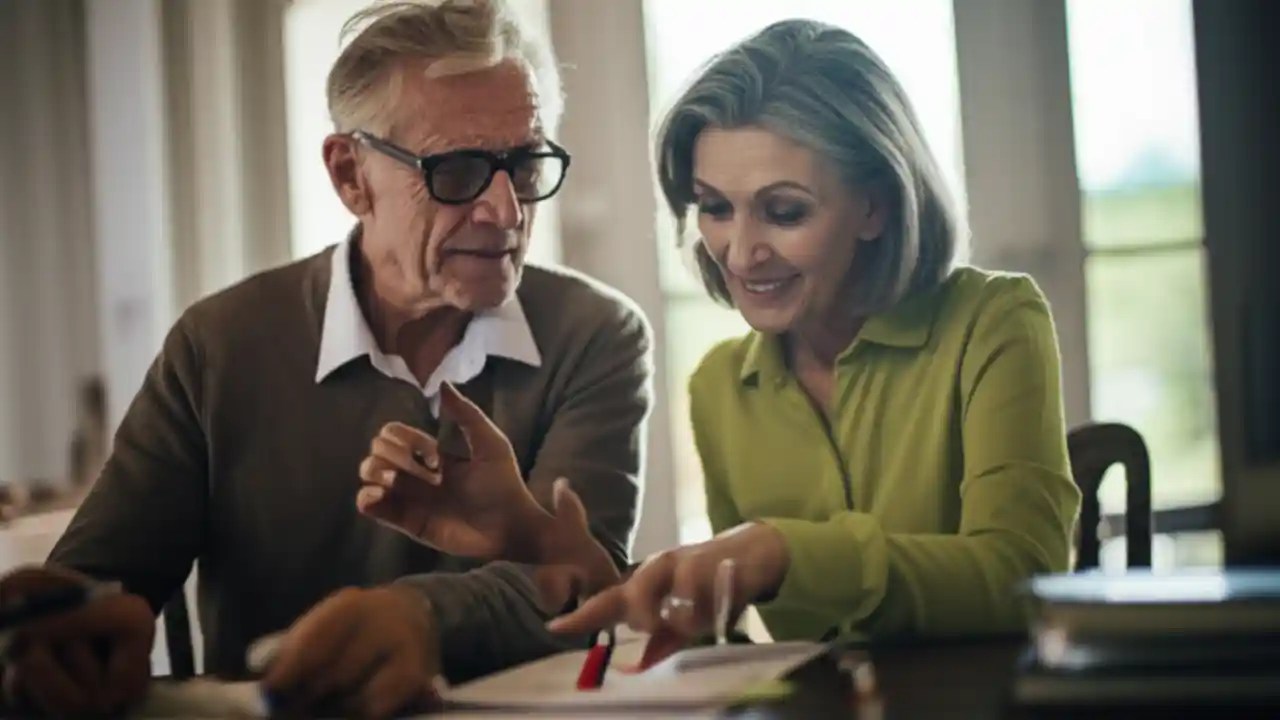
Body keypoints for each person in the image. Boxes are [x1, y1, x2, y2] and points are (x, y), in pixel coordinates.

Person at [0, 1, 649, 717]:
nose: (506, 210)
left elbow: (583, 580)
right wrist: (65, 637)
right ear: (350, 176)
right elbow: (97, 587)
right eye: (459, 169)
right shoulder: (219, 345)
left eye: (523, 164)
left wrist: (418, 620)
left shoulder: (597, 334)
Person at [375, 18, 1082, 659]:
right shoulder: (720, 386)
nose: (740, 254)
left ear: (876, 204)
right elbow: (733, 633)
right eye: (714, 208)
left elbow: (1023, 575)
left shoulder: (993, 321)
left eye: (783, 211)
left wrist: (780, 553)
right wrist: (548, 547)